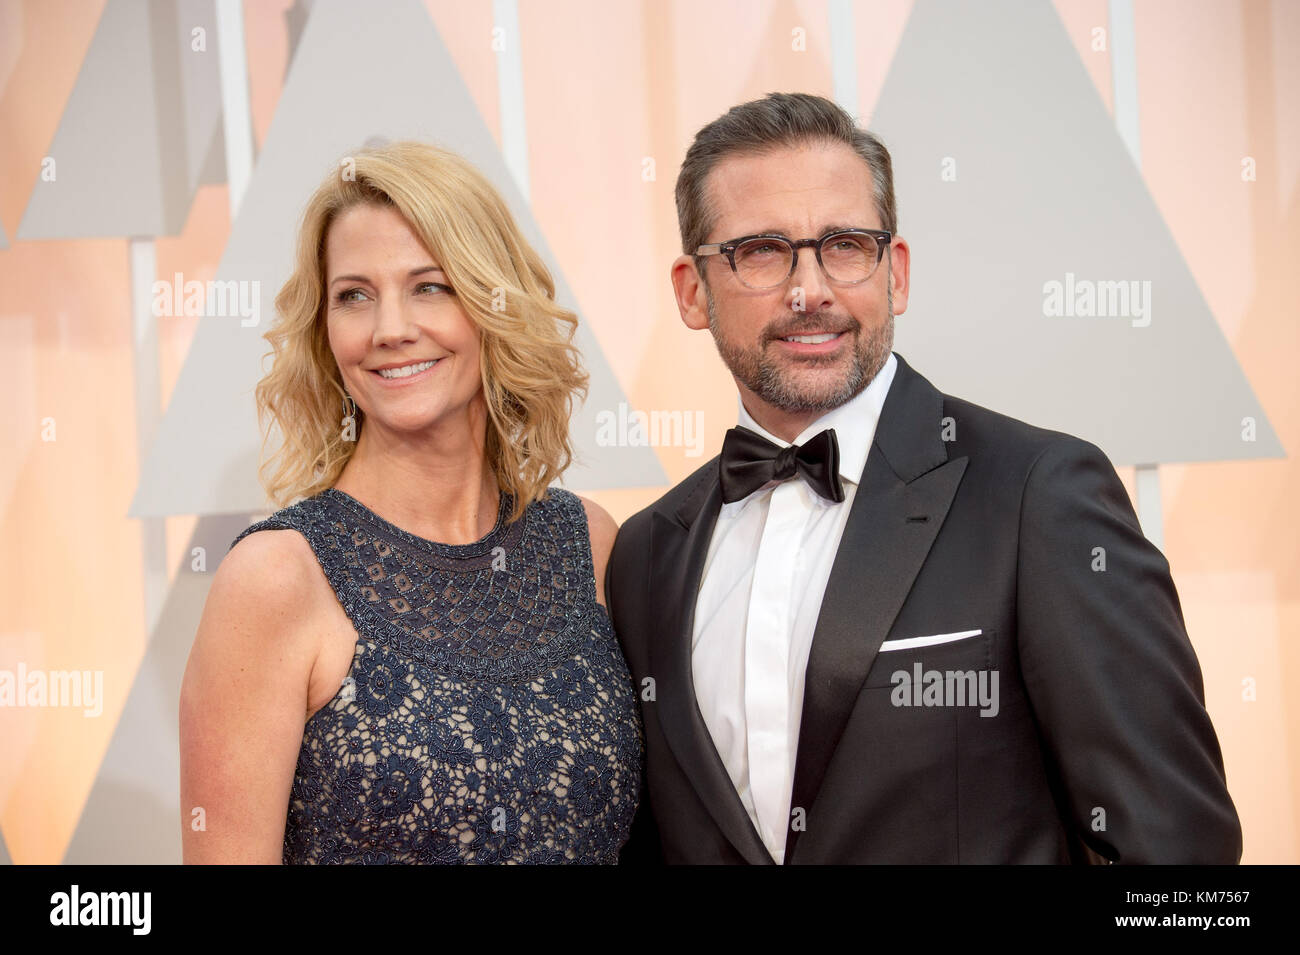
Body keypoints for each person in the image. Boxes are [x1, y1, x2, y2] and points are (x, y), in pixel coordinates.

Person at [606, 92, 1241, 864]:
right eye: (763, 251)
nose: (811, 291)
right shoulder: (645, 555)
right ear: (691, 290)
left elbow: (1179, 862)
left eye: (844, 244)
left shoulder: (1039, 495)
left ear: (895, 272)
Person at [179, 141, 642, 864]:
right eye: (354, 295)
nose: (390, 327)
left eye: (429, 286)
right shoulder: (277, 579)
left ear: (494, 301)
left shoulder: (587, 542)